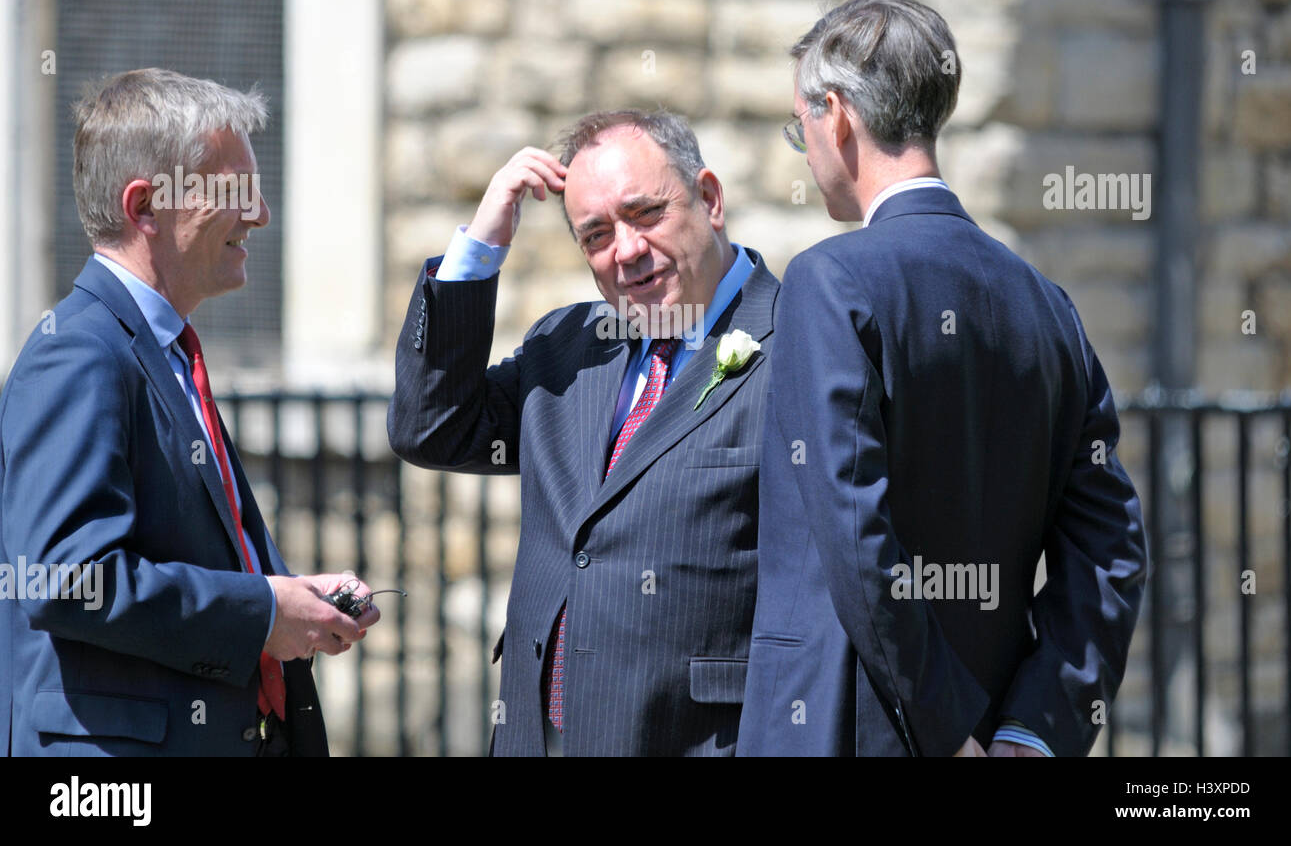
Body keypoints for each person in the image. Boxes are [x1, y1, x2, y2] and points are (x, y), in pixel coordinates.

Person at [737, 0, 1147, 757]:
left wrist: (946, 728)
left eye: (800, 129)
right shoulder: (1048, 305)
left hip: (844, 729)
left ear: (837, 115)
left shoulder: (830, 281)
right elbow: (1111, 549)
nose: (807, 149)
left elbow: (860, 534)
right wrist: (1035, 727)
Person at [0, 68, 379, 756]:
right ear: (145, 206)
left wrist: (291, 596)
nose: (260, 213)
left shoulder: (164, 348)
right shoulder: (79, 354)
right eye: (234, 191)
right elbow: (67, 578)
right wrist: (262, 612)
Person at [388, 109, 778, 756]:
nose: (624, 251)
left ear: (709, 198)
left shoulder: (797, 344)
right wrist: (480, 248)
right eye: (595, 234)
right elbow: (428, 427)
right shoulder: (567, 347)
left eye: (646, 213)